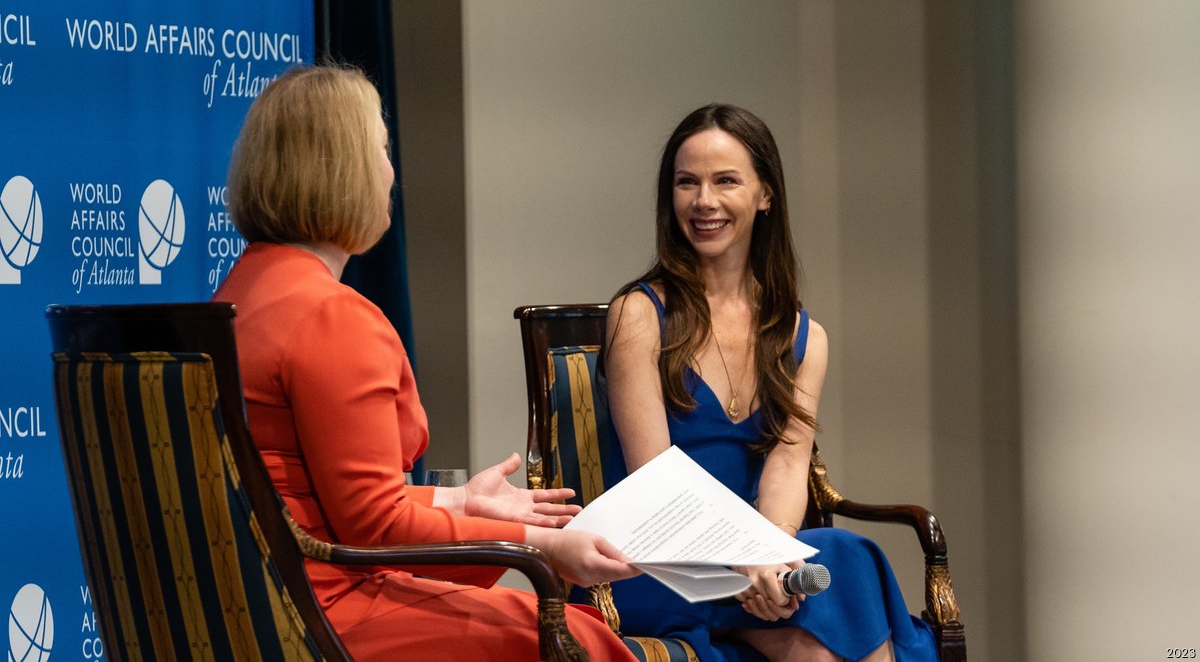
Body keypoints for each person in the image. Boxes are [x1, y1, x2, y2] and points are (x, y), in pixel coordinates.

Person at [213, 64, 639, 661]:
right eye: (382, 150)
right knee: (578, 635)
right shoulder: (330, 316)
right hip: (320, 616)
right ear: (343, 171)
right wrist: (541, 545)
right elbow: (374, 529)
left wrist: (458, 502)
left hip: (251, 606)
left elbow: (316, 499)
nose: (391, 170)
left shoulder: (237, 296)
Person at [601, 104, 938, 662]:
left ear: (765, 195)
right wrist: (743, 559)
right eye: (687, 183)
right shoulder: (638, 313)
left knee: (838, 559)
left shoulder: (805, 336)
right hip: (662, 558)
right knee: (831, 592)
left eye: (725, 180)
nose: (703, 201)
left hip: (759, 561)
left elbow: (786, 467)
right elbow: (654, 476)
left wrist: (772, 560)